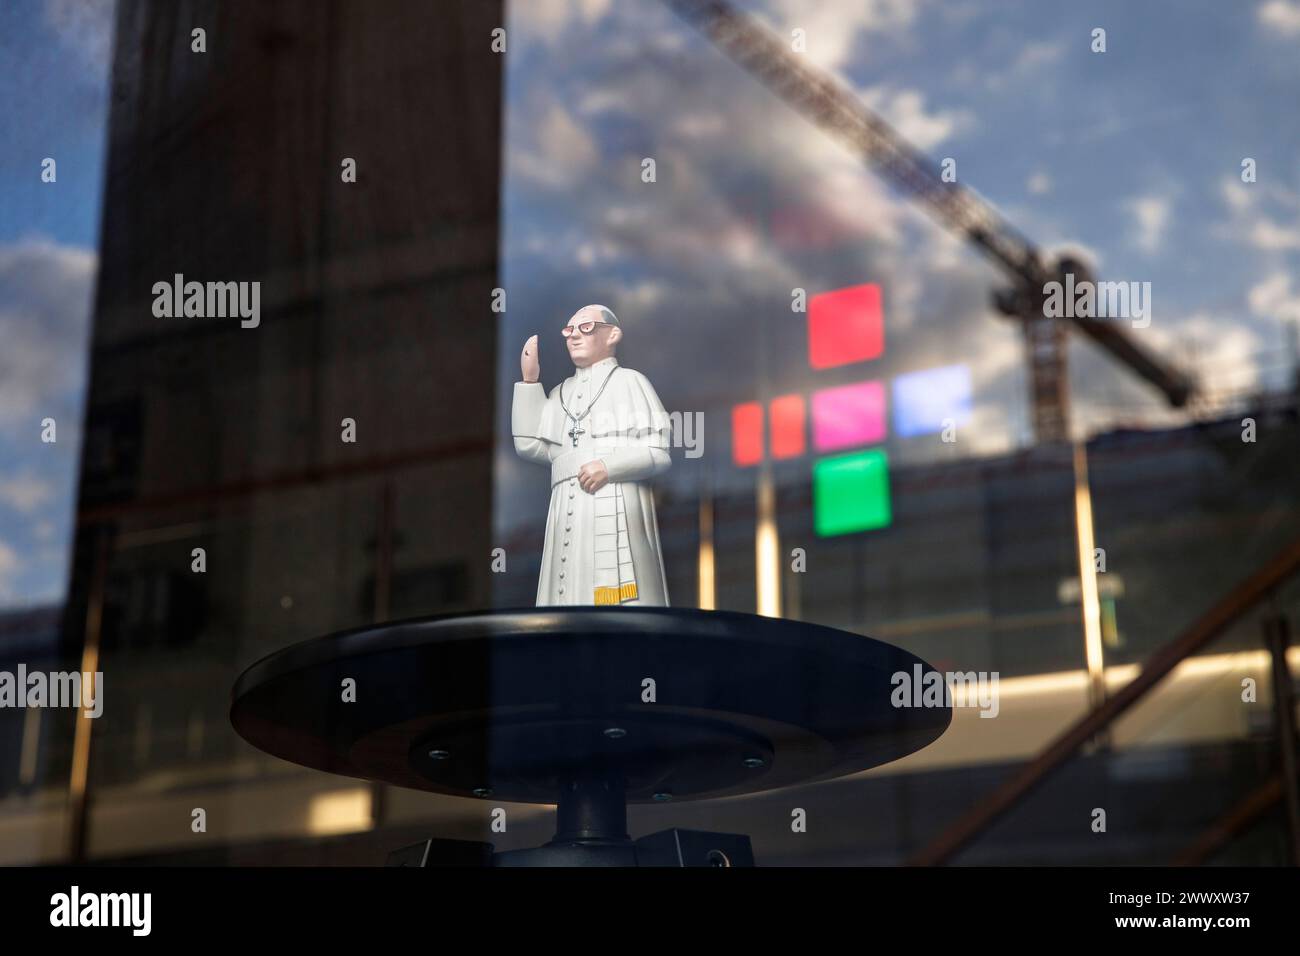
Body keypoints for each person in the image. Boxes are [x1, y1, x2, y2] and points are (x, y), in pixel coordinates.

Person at [512, 304, 671, 606]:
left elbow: (658, 453)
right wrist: (530, 382)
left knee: (622, 612)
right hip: (566, 513)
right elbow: (530, 445)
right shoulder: (559, 394)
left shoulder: (630, 382)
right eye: (569, 330)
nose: (574, 336)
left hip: (615, 508)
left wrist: (608, 467)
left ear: (612, 335)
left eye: (586, 328)